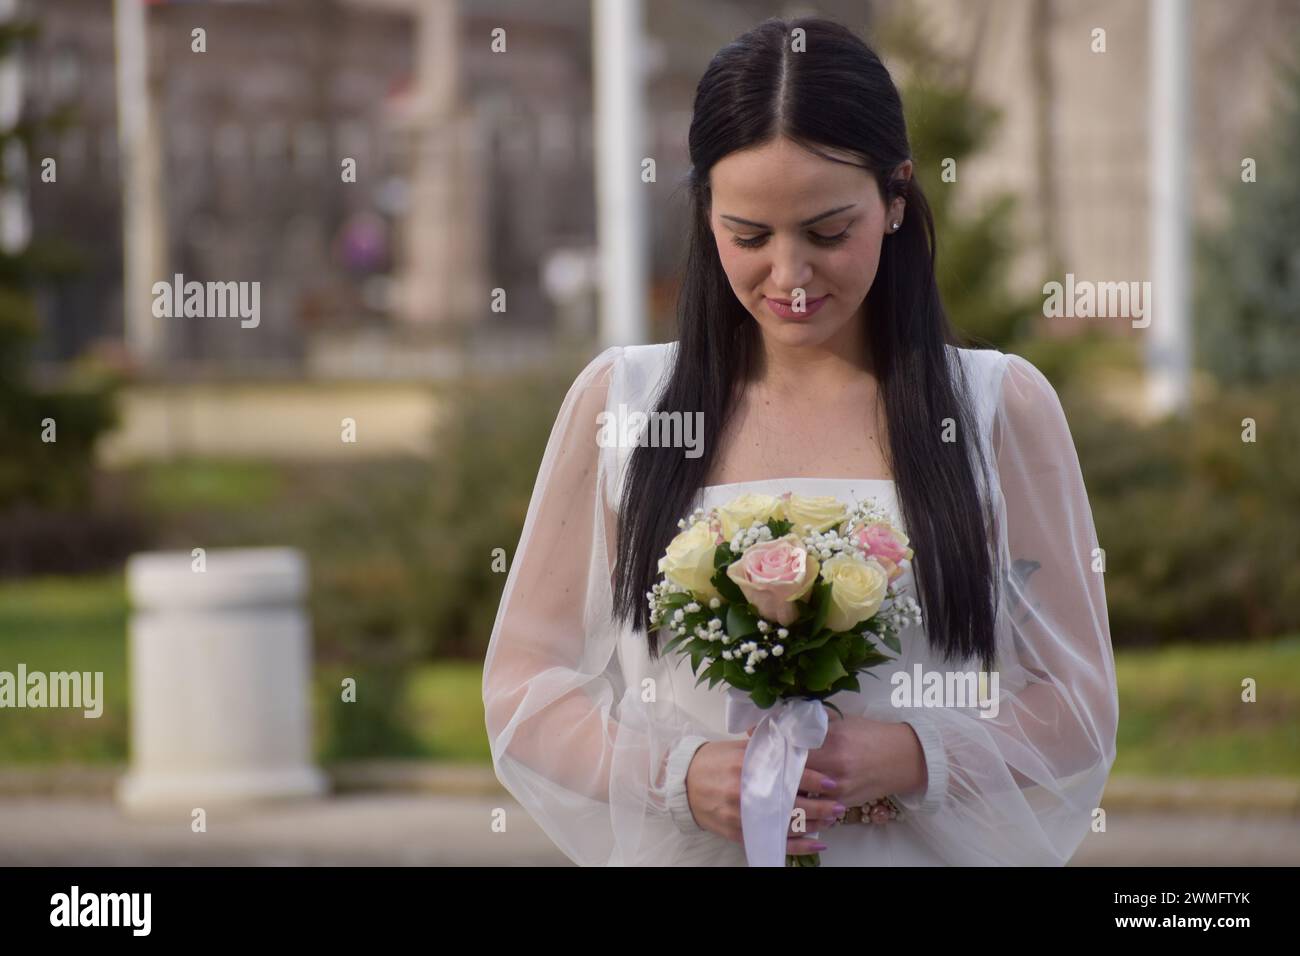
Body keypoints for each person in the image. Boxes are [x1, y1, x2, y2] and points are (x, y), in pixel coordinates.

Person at [482, 16, 1118, 866]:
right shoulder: (624, 403)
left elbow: (1078, 702)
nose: (788, 277)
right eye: (748, 236)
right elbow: (522, 684)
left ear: (897, 199)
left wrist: (913, 755)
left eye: (827, 232)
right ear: (706, 210)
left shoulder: (997, 407)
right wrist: (677, 773)